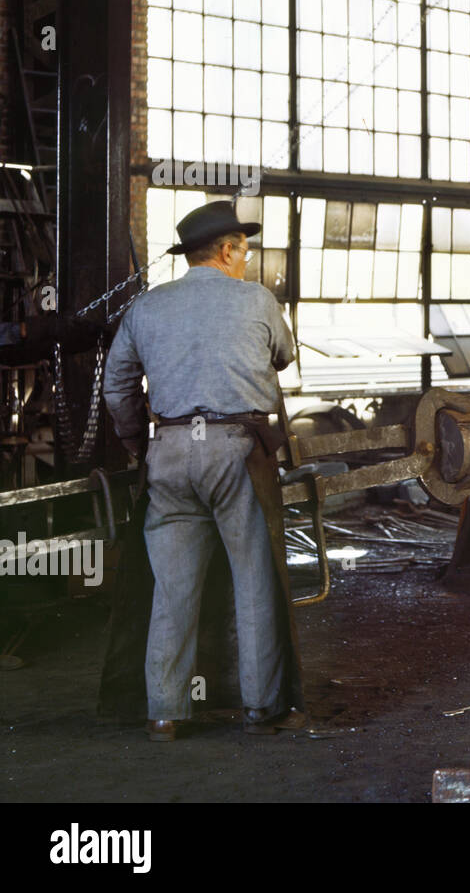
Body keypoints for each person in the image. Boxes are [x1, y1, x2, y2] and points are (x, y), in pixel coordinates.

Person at [101, 200, 306, 740]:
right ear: (227, 250)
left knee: (172, 591)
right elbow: (284, 356)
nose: (245, 259)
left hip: (168, 451)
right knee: (254, 581)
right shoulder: (257, 300)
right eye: (244, 249)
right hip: (237, 450)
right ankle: (261, 708)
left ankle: (166, 713)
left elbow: (116, 387)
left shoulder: (146, 309)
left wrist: (134, 445)